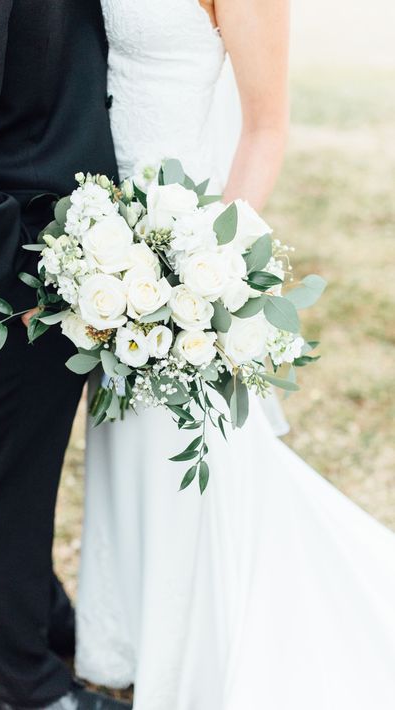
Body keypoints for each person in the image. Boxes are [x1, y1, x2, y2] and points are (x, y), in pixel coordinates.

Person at [76, 1, 395, 708]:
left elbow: (265, 130)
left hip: (187, 248)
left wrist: (202, 265)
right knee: (126, 443)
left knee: (188, 452)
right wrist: (105, 249)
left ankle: (203, 655)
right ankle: (135, 637)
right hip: (106, 241)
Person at [0, 2, 129, 709]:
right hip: (1, 272)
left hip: (44, 248)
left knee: (23, 464)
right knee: (3, 483)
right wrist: (9, 281)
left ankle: (48, 625)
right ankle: (26, 689)